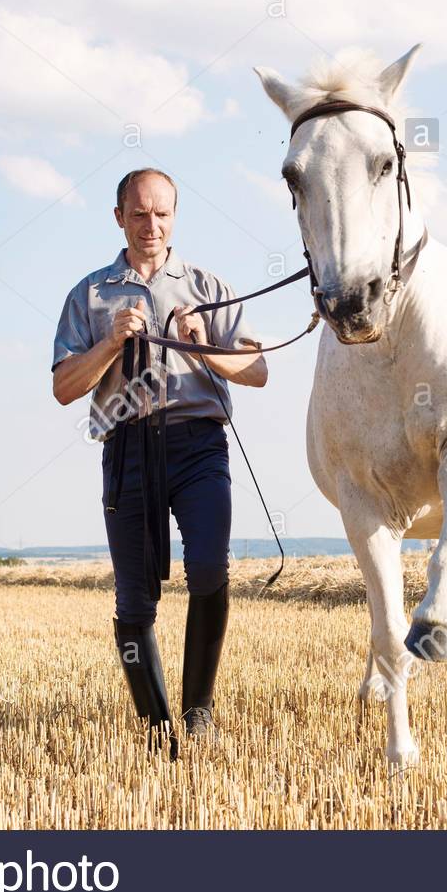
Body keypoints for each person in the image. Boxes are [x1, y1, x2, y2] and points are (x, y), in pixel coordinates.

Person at [51, 168, 267, 758]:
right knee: (134, 601)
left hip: (199, 445)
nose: (152, 225)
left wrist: (204, 345)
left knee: (209, 571)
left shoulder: (207, 286)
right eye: (140, 214)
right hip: (127, 449)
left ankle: (197, 715)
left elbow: (259, 372)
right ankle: (156, 734)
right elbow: (64, 388)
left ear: (176, 216)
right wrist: (108, 345)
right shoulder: (90, 295)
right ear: (118, 216)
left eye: (163, 213)